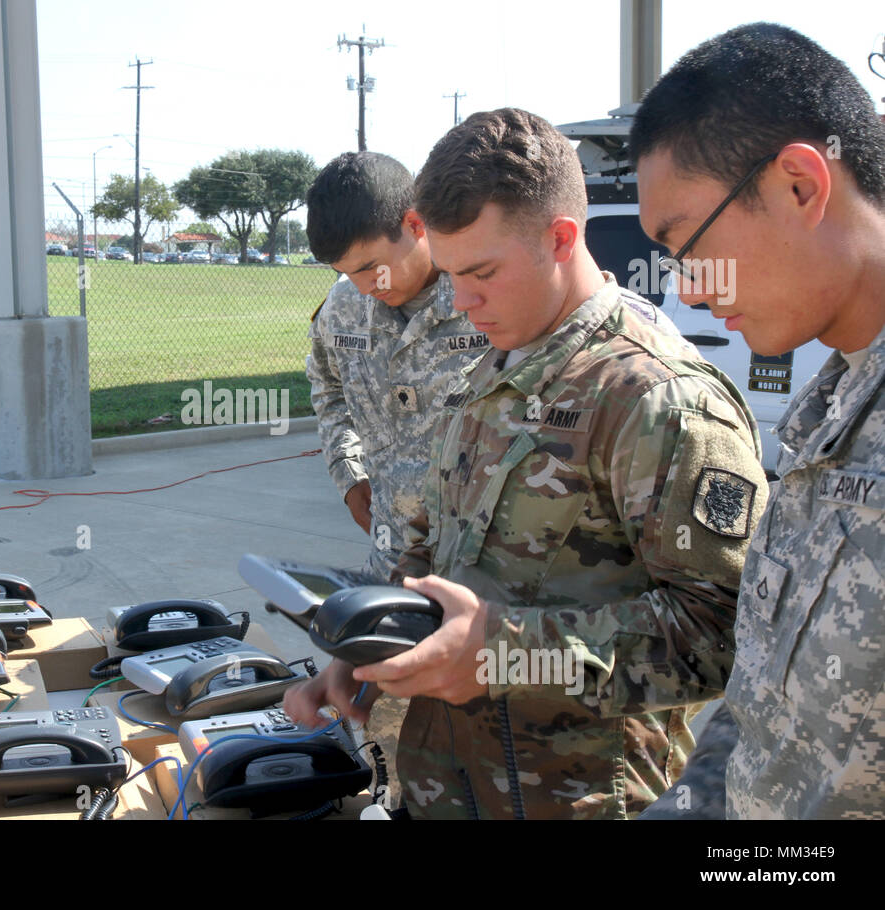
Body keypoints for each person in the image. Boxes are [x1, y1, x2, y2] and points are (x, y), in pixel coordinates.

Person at [286, 108, 768, 819]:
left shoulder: (658, 400)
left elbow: (724, 633)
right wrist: (367, 649)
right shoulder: (491, 366)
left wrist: (504, 653)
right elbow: (435, 552)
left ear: (561, 239)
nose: (460, 299)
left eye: (481, 273)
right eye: (451, 275)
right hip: (443, 788)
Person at [630, 22, 885, 819]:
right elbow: (758, 712)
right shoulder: (823, 417)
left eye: (687, 245)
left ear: (800, 185)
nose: (690, 291)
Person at [303, 152, 490, 796]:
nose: (361, 286)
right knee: (389, 733)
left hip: (484, 577)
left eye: (367, 266)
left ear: (415, 224)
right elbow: (325, 386)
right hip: (391, 562)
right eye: (343, 273)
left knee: (481, 747)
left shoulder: (486, 299)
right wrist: (348, 468)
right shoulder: (345, 307)